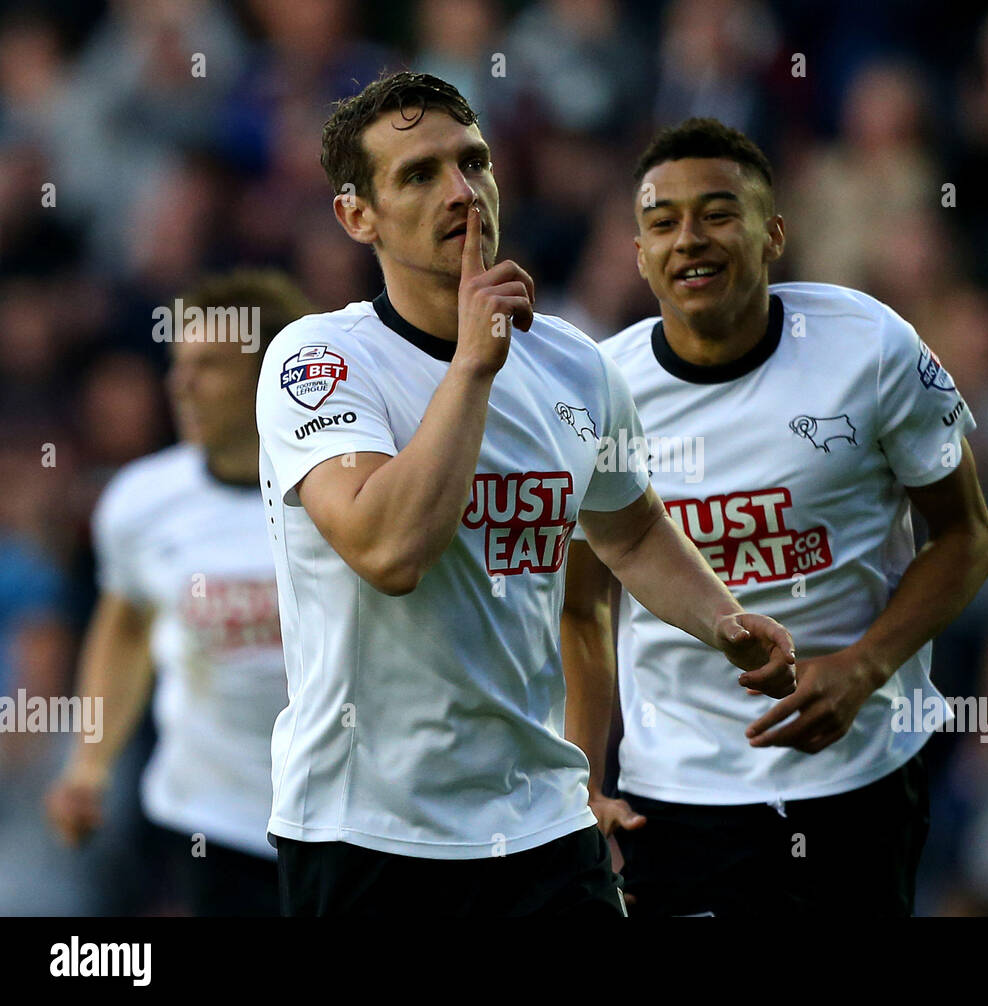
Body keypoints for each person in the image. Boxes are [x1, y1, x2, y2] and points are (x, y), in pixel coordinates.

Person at [256, 73, 796, 918]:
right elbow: (388, 551)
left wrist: (723, 619)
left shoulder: (577, 365)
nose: (461, 191)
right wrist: (473, 365)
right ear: (357, 216)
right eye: (419, 174)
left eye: (473, 162)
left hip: (542, 819)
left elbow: (629, 529)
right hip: (369, 831)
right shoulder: (318, 361)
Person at [563, 118, 988, 917]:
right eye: (663, 222)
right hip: (678, 792)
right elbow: (582, 606)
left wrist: (865, 666)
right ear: (640, 255)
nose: (689, 239)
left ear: (774, 235)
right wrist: (584, 781)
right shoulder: (599, 390)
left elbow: (967, 538)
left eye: (718, 213)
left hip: (860, 775)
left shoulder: (871, 347)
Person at [46, 270, 314, 916]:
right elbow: (128, 626)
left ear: (275, 374)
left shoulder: (351, 493)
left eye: (210, 366)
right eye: (178, 364)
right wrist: (89, 764)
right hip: (210, 818)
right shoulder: (142, 501)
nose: (181, 384)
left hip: (346, 818)